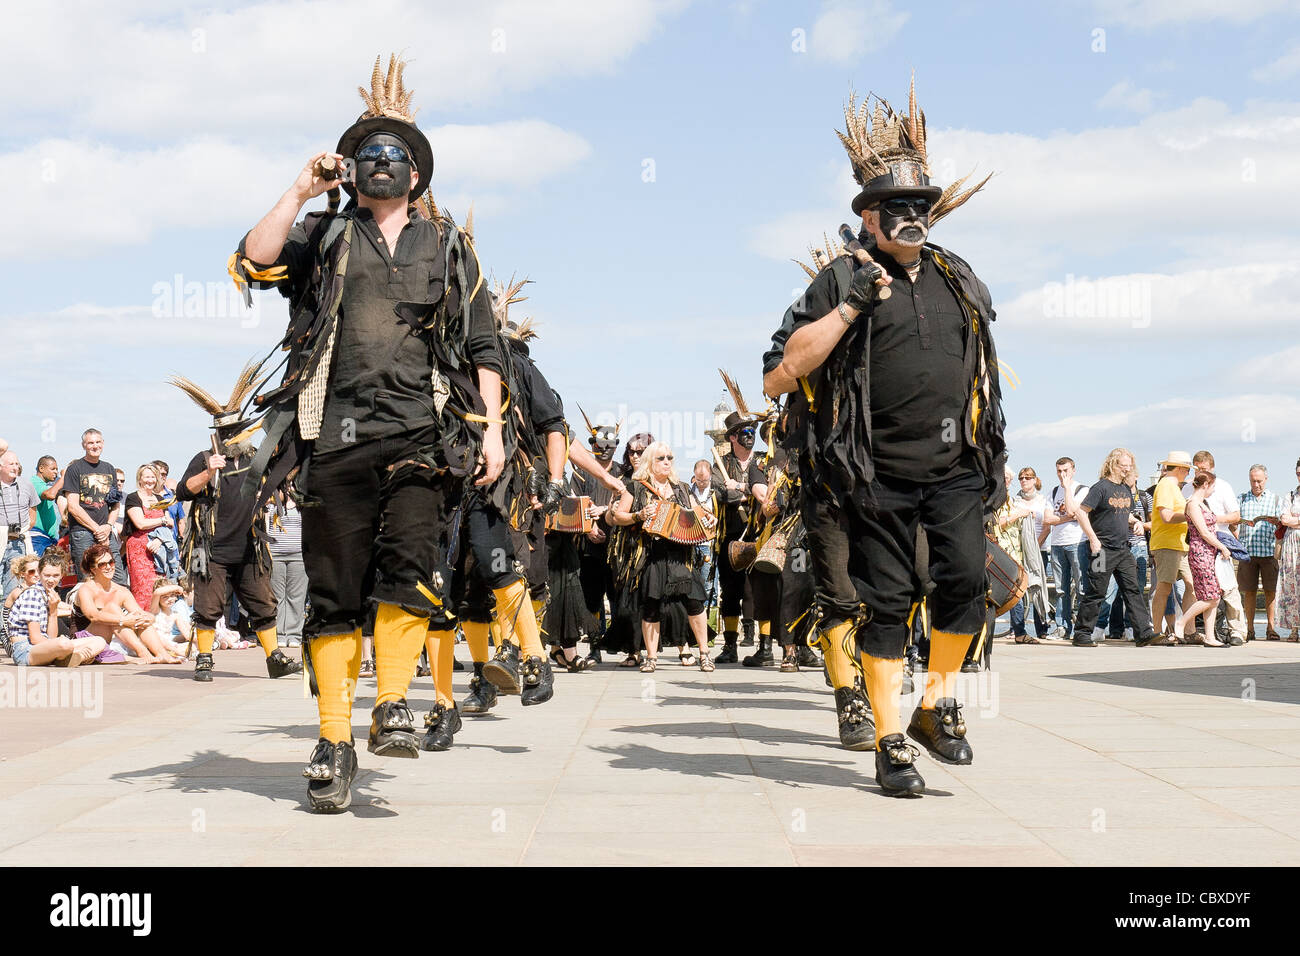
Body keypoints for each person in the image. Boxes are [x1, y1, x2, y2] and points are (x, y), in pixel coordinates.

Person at [234, 54, 508, 812]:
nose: (383, 165)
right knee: (333, 594)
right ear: (350, 170)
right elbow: (254, 259)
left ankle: (392, 705)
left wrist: (489, 434)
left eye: (397, 157)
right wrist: (298, 190)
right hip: (333, 437)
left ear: (416, 177)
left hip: (421, 432)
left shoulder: (450, 248)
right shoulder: (323, 235)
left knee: (411, 566)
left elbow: (484, 346)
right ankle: (333, 740)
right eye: (369, 156)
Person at [763, 78, 1004, 795]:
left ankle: (933, 707)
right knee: (888, 603)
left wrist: (989, 448)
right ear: (867, 216)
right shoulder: (839, 280)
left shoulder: (958, 277)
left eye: (920, 206)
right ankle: (890, 739)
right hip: (873, 474)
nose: (911, 216)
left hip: (954, 466)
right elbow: (779, 376)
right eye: (896, 207)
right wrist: (852, 309)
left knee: (965, 582)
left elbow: (982, 369)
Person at [172, 370, 303, 683]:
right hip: (210, 549)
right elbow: (182, 490)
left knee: (263, 604)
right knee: (206, 607)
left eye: (236, 431)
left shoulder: (256, 458)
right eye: (227, 432)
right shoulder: (204, 458)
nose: (232, 437)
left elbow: (279, 488)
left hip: (249, 548)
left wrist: (272, 493)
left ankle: (275, 659)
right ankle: (204, 660)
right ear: (217, 435)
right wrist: (208, 472)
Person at [608, 441, 715, 672]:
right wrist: (638, 515)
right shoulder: (635, 487)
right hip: (651, 554)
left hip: (680, 554)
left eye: (669, 458)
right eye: (661, 458)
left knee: (695, 602)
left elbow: (700, 512)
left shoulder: (682, 488)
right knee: (651, 606)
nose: (667, 462)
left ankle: (705, 653)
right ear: (650, 461)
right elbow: (618, 517)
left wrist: (709, 519)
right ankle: (651, 657)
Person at [1070, 448, 1157, 646]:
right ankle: (1082, 634)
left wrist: (1135, 521)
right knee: (1097, 591)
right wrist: (1093, 539)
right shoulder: (1100, 488)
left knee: (1133, 590)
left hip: (1123, 550)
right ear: (1113, 465)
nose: (1127, 469)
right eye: (1123, 465)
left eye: (1129, 465)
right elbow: (1081, 512)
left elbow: (1122, 512)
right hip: (1102, 550)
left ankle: (1144, 633)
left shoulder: (1125, 489)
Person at [711, 411, 766, 661]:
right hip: (730, 534)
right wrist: (747, 495)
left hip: (760, 534)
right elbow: (721, 493)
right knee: (730, 590)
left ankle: (759, 643)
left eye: (752, 432)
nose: (750, 437)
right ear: (733, 437)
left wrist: (742, 487)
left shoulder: (763, 462)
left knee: (759, 588)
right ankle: (730, 646)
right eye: (744, 433)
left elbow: (770, 490)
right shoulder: (720, 463)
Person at [73, 543, 182, 663]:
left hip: (106, 639)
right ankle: (142, 652)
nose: (109, 567)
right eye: (102, 564)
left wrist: (148, 618)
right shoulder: (86, 589)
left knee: (138, 616)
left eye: (111, 562)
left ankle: (162, 654)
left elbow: (140, 613)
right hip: (83, 640)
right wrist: (122, 620)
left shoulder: (121, 591)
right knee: (112, 608)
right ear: (93, 569)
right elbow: (93, 616)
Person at [1182, 451, 1245, 645]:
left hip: (1219, 539)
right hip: (1198, 543)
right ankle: (1193, 631)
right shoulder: (1187, 490)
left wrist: (1211, 519)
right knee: (1200, 590)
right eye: (1198, 470)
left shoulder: (1223, 486)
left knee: (1228, 588)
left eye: (1205, 470)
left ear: (1212, 468)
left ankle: (1237, 631)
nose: (1202, 473)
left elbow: (1235, 516)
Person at [7, 548, 107, 667]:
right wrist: (61, 644)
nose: (51, 580)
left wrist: (53, 611)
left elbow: (51, 636)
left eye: (55, 576)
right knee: (64, 643)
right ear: (39, 573)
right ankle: (67, 654)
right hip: (25, 650)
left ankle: (74, 657)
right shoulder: (32, 594)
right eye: (47, 575)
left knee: (99, 641)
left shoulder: (49, 593)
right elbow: (35, 638)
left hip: (43, 646)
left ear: (61, 575)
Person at [62, 429, 129, 586]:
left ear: (103, 443)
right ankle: (87, 610)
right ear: (83, 445)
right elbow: (73, 506)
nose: (95, 446)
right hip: (82, 532)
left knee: (118, 576)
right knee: (87, 579)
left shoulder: (109, 469)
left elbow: (115, 504)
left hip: (105, 531)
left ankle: (118, 610)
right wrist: (97, 529)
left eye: (98, 442)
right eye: (90, 442)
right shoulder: (75, 469)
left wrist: (107, 526)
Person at [1145, 451, 1198, 646]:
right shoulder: (1167, 485)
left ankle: (1188, 630)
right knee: (1164, 587)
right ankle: (1157, 632)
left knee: (1191, 586)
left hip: (1177, 543)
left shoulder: (1172, 485)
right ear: (1181, 468)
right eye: (1186, 469)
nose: (1187, 473)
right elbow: (1166, 516)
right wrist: (1191, 515)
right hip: (1167, 544)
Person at [1175, 472, 1230, 646]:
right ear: (1205, 485)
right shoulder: (1192, 504)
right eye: (1212, 486)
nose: (1213, 490)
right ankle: (1181, 622)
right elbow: (1203, 532)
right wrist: (1222, 546)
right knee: (1210, 597)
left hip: (1209, 553)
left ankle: (1210, 636)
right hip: (1200, 552)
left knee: (1213, 595)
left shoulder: (1203, 503)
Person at [1041, 457, 1089, 640]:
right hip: (1057, 544)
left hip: (1077, 542)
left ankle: (1083, 627)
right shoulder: (1052, 492)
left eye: (1066, 471)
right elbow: (1047, 519)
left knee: (1082, 586)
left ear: (1073, 470)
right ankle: (1062, 626)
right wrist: (1069, 517)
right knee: (1061, 589)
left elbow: (1071, 509)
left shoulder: (1082, 490)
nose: (1062, 475)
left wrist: (1068, 488)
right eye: (1059, 471)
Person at [1237, 464, 1282, 640]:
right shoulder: (1241, 498)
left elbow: (1281, 526)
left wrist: (1277, 522)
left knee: (1271, 591)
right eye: (1252, 481)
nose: (1256, 484)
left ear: (1266, 479)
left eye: (1259, 481)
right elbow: (1234, 523)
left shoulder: (1275, 499)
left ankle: (1271, 628)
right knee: (1249, 591)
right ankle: (1250, 629)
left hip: (1269, 551)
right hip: (1247, 552)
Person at [121, 464, 174, 610]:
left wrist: (160, 539)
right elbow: (140, 523)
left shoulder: (160, 498)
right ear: (140, 478)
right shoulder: (133, 497)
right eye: (147, 476)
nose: (150, 480)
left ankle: (159, 623)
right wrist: (162, 521)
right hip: (140, 549)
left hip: (159, 548)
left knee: (160, 586)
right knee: (143, 588)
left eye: (152, 477)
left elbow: (170, 523)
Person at [266, 480, 307, 648]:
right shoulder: (271, 504)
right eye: (285, 486)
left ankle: (294, 634)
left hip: (298, 555)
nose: (288, 488)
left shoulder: (302, 505)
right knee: (277, 597)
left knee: (296, 597)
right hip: (276, 555)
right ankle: (280, 634)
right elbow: (265, 527)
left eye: (291, 485)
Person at [1010, 467, 1050, 641]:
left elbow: (1047, 526)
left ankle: (1042, 629)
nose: (1024, 480)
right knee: (1017, 591)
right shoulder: (1014, 500)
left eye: (1028, 477)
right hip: (1019, 551)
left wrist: (1035, 545)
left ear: (1035, 480)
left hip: (1039, 549)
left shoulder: (1043, 500)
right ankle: (1017, 628)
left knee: (1038, 588)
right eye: (1021, 478)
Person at [0, 450, 39, 609]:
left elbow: (32, 513)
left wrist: (21, 529)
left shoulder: (26, 484)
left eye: (17, 464)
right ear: (0, 466)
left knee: (12, 591)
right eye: (11, 464)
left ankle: (5, 632)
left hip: (18, 543)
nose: (15, 467)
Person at [1276, 460, 1300, 641]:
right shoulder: (1290, 496)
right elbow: (1284, 519)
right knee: (1291, 585)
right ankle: (1294, 628)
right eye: (1298, 473)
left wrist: (1294, 519)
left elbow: (1289, 518)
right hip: (1292, 544)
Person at [30, 456, 63, 556]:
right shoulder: (35, 482)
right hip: (38, 537)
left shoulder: (44, 485)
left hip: (47, 538)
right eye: (53, 469)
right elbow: (50, 495)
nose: (56, 472)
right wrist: (64, 477)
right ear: (41, 469)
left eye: (57, 469)